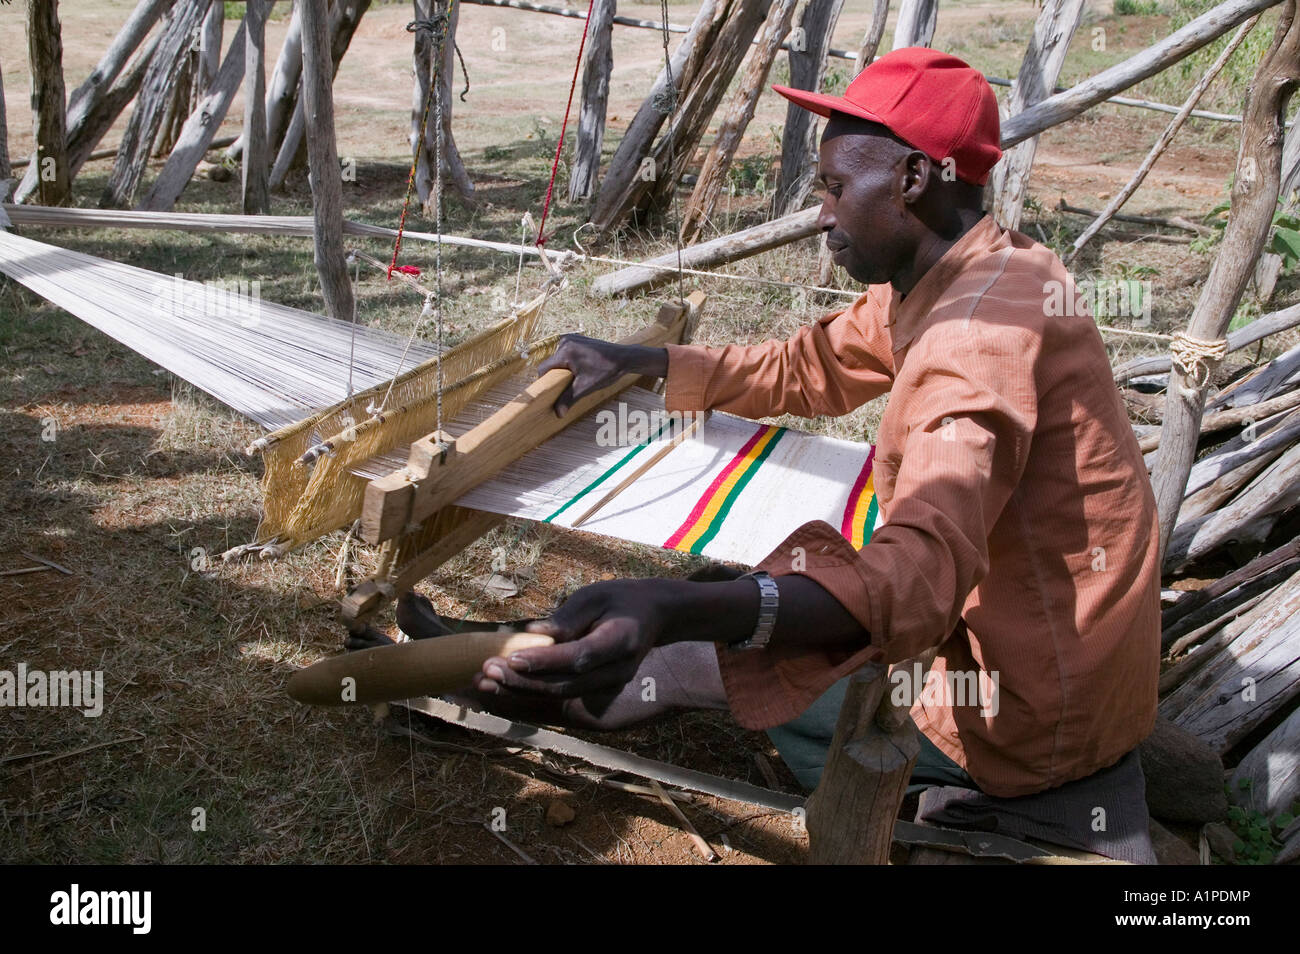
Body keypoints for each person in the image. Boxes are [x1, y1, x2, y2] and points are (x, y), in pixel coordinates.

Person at [457, 48, 1162, 862]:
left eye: (833, 189)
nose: (820, 215)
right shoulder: (976, 269)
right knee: (729, 595)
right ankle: (517, 645)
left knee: (702, 646)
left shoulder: (976, 334)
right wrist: (651, 364)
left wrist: (674, 611)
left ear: (911, 179)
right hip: (1066, 665)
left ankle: (528, 679)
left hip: (1020, 710)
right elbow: (813, 365)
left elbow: (918, 578)